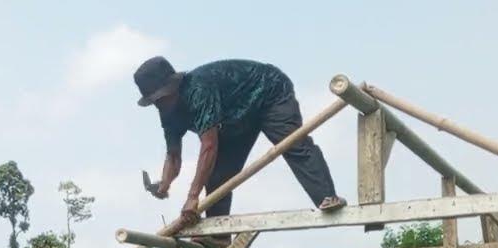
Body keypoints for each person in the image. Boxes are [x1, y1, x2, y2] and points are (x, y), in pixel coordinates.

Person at [134, 56, 345, 228]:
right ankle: (218, 235)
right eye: (155, 101)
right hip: (235, 118)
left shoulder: (198, 90)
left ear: (173, 87)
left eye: (161, 97)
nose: (159, 104)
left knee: (292, 144)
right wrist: (164, 184)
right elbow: (173, 155)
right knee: (216, 177)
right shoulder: (167, 113)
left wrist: (192, 197)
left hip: (268, 92)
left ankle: (327, 197)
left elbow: (209, 145)